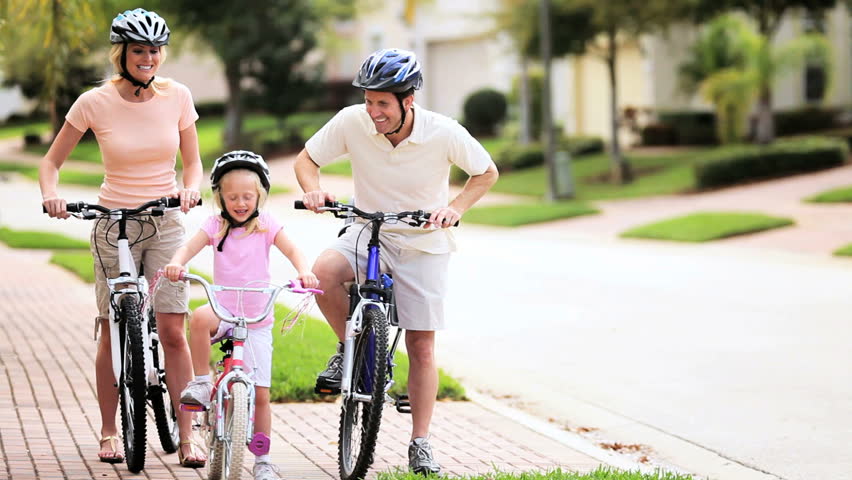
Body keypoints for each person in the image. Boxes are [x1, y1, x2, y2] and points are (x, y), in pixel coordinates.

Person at [294, 48, 499, 474]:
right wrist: (312, 189)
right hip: (368, 231)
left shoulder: (443, 132)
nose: (373, 112)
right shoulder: (353, 121)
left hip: (424, 243)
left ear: (408, 100)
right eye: (368, 101)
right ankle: (349, 348)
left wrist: (456, 207)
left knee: (421, 346)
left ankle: (420, 443)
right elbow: (306, 160)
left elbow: (486, 172)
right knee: (323, 275)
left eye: (382, 103)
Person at [39, 8, 206, 467]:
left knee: (173, 329)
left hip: (165, 221)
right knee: (111, 330)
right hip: (111, 224)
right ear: (122, 55)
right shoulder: (94, 102)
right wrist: (52, 196)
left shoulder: (178, 96)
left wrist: (190, 187)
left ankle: (188, 436)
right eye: (139, 50)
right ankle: (110, 431)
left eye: (154, 50)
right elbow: (50, 164)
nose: (148, 58)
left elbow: (193, 163)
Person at [163, 150, 319, 480]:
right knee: (200, 316)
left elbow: (293, 249)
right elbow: (188, 247)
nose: (240, 202)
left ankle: (262, 461)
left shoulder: (266, 225)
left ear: (260, 195)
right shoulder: (215, 225)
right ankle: (203, 382)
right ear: (220, 196)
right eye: (232, 196)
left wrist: (304, 271)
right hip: (225, 310)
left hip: (257, 318)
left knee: (261, 395)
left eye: (247, 196)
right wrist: (177, 262)